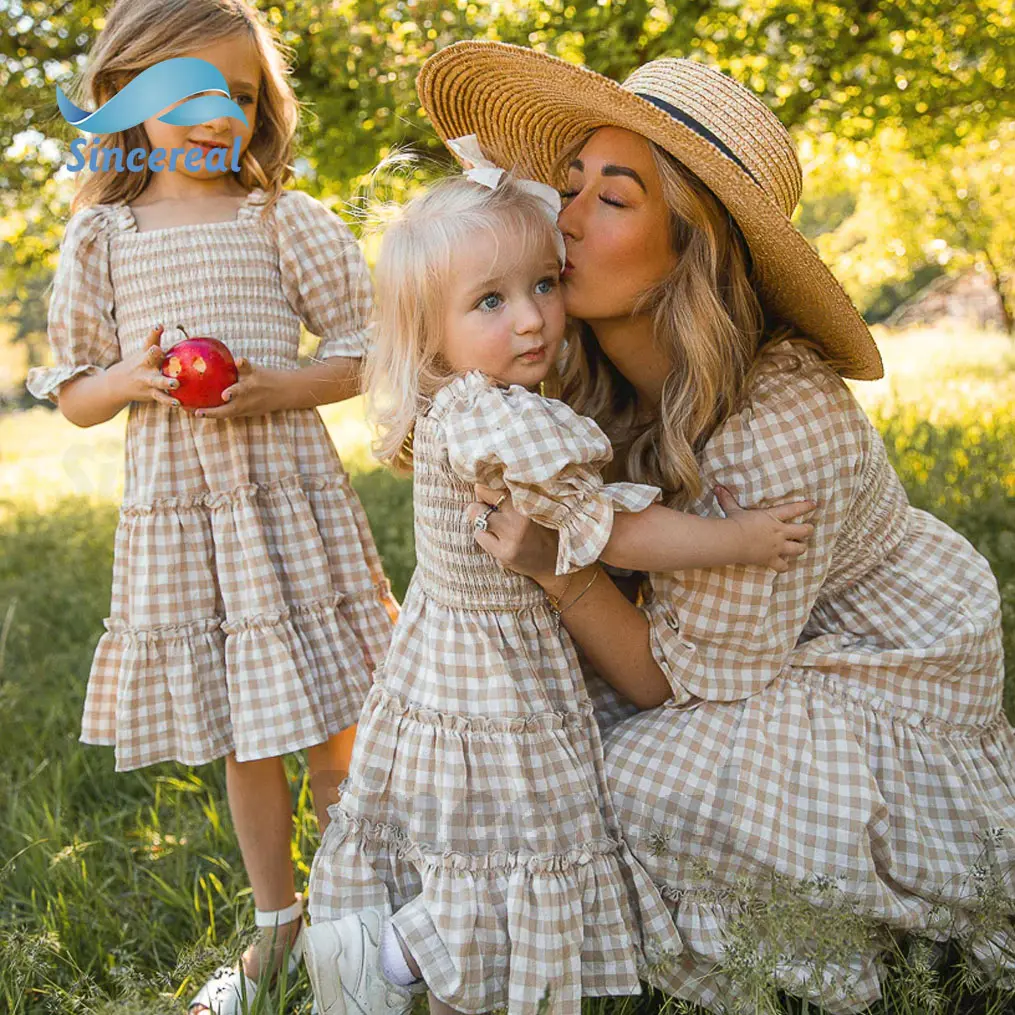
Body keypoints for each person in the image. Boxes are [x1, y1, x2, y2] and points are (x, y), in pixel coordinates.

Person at [415, 42, 1015, 1013]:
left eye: (612, 198)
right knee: (512, 735)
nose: (563, 217)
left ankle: (848, 920)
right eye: (568, 185)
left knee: (619, 778)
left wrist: (557, 571)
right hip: (737, 639)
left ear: (690, 246)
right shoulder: (572, 355)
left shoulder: (782, 428)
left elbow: (664, 679)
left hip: (870, 671)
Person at [301, 145, 818, 1015]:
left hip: (451, 650)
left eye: (543, 284)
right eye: (490, 302)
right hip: (494, 672)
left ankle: (392, 959)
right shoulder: (497, 417)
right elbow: (612, 526)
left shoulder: (455, 400)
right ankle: (390, 962)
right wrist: (736, 537)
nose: (533, 319)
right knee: (520, 837)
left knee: (474, 831)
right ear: (431, 330)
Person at [25, 2, 398, 1011]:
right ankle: (277, 922)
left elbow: (367, 350)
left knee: (335, 715)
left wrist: (281, 386)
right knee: (246, 727)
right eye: (187, 92)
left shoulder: (281, 219)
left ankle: (364, 909)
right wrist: (130, 379)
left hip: (285, 498)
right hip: (182, 514)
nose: (216, 114)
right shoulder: (102, 237)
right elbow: (71, 394)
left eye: (236, 95)